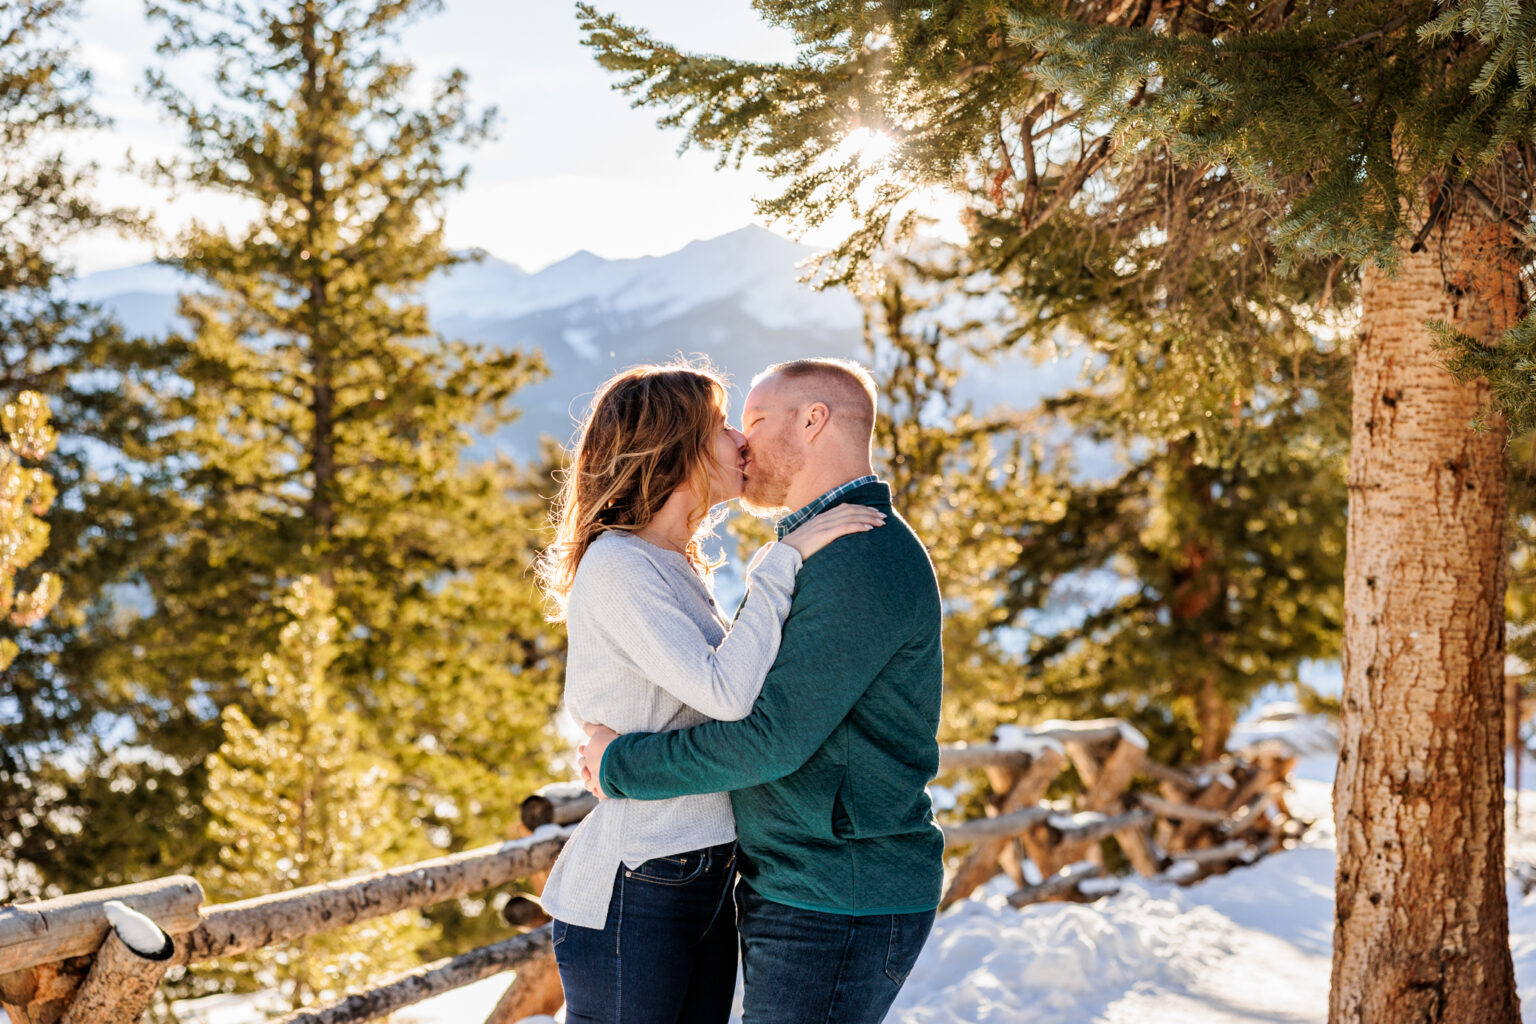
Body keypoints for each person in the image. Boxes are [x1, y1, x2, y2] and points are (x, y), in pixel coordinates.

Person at [579, 358, 945, 1024]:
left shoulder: (857, 556)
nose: (742, 442)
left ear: (814, 420)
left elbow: (769, 739)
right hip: (804, 883)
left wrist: (619, 765)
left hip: (837, 890)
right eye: (731, 426)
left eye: (752, 421)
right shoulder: (823, 549)